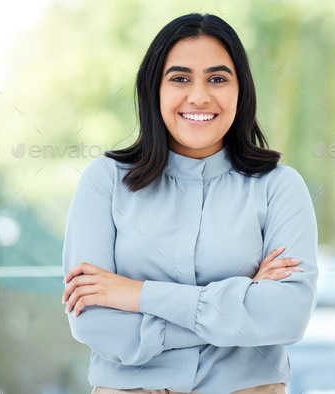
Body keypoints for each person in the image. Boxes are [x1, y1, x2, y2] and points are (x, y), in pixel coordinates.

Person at [62, 12, 318, 394]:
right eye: (180, 78)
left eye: (217, 78)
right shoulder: (104, 181)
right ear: (155, 90)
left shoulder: (280, 187)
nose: (199, 96)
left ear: (241, 90)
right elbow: (93, 322)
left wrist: (138, 295)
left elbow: (286, 317)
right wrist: (240, 303)